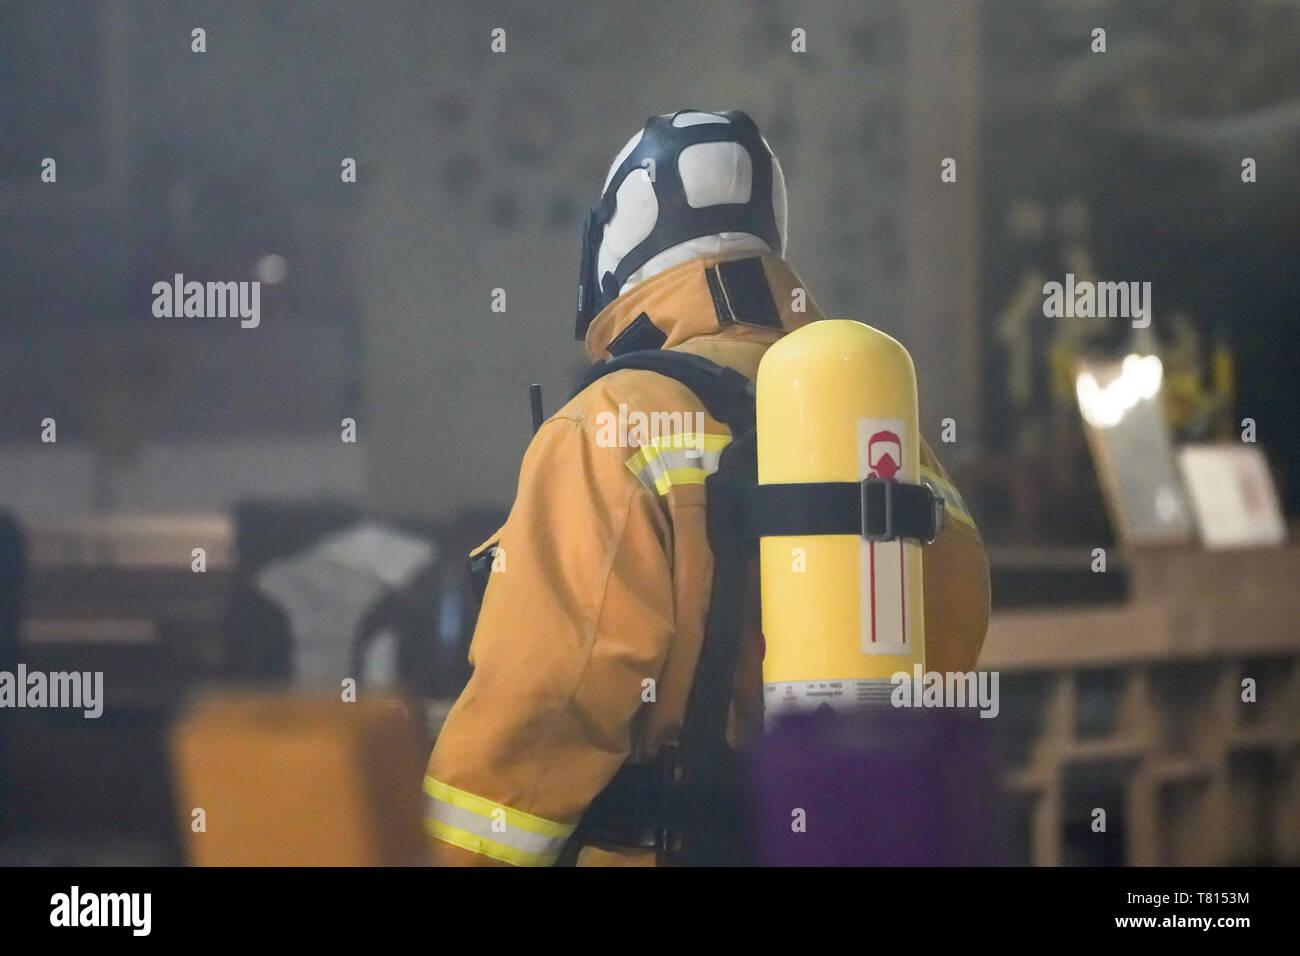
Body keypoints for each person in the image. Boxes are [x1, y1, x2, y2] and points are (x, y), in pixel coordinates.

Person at [423, 109, 990, 866]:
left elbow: (544, 704)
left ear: (613, 253)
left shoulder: (610, 422)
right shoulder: (883, 428)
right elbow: (954, 623)